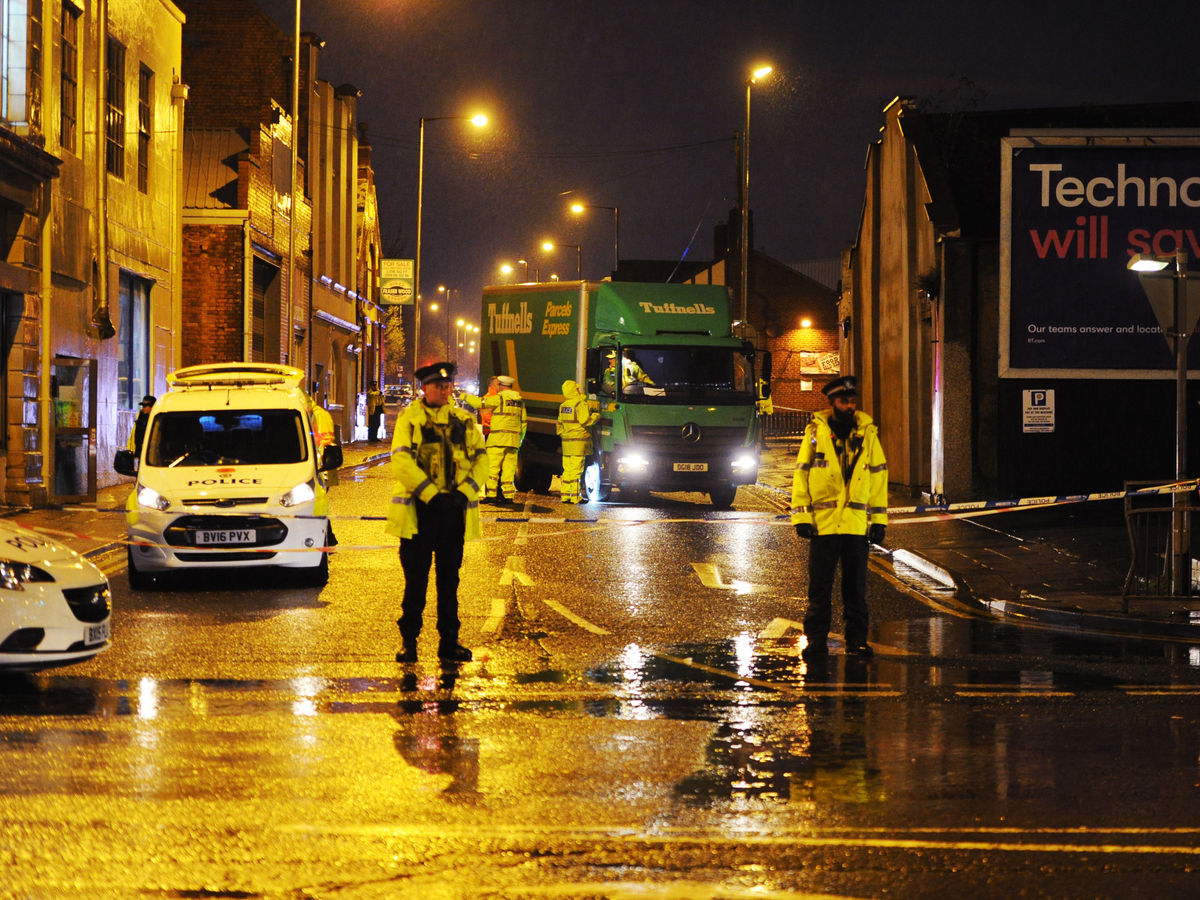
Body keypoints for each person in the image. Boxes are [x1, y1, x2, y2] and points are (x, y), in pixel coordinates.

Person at [386, 361, 488, 664]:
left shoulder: (464, 421)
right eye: (439, 386)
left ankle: (449, 642)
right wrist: (431, 494)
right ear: (425, 388)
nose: (445, 391)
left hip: (453, 513)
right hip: (419, 513)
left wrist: (463, 493)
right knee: (415, 582)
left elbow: (481, 460)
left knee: (449, 582)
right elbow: (401, 462)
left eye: (448, 386)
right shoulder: (410, 419)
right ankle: (409, 642)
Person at [791, 375, 888, 660]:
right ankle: (816, 641)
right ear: (832, 402)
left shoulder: (867, 433)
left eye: (852, 401)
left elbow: (879, 476)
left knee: (855, 590)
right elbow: (802, 475)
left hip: (856, 526)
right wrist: (801, 518)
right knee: (819, 590)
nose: (849, 406)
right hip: (823, 526)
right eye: (844, 401)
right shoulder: (815, 433)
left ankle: (857, 641)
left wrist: (879, 520)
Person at [478, 375, 525, 504]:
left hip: (496, 437)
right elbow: (524, 421)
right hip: (512, 440)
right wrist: (519, 439)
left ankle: (492, 495)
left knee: (493, 468)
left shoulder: (496, 398)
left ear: (501, 385)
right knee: (509, 470)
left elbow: (482, 409)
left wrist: (464, 396)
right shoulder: (519, 400)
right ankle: (507, 496)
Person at [556, 379, 600, 503]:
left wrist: (564, 435)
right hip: (578, 442)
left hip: (566, 442)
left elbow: (559, 424)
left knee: (568, 469)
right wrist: (596, 415)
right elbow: (585, 421)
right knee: (576, 470)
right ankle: (575, 497)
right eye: (577, 388)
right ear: (573, 390)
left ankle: (565, 495)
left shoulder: (563, 406)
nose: (579, 390)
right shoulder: (580, 404)